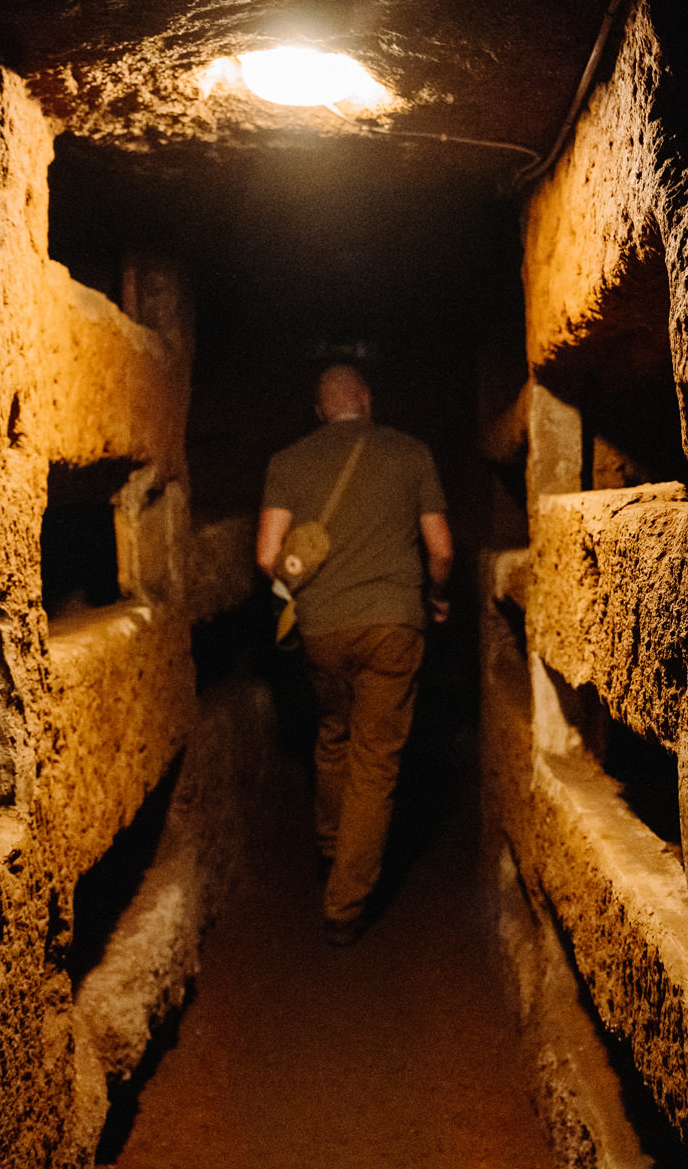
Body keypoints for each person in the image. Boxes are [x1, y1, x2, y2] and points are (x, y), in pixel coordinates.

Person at [257, 364, 454, 945]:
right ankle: (344, 906)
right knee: (374, 763)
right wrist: (438, 598)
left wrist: (311, 593)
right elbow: (440, 549)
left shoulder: (288, 462)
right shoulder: (411, 453)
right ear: (366, 400)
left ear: (320, 411)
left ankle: (329, 844)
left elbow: (267, 556)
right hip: (394, 625)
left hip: (322, 629)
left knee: (333, 735)